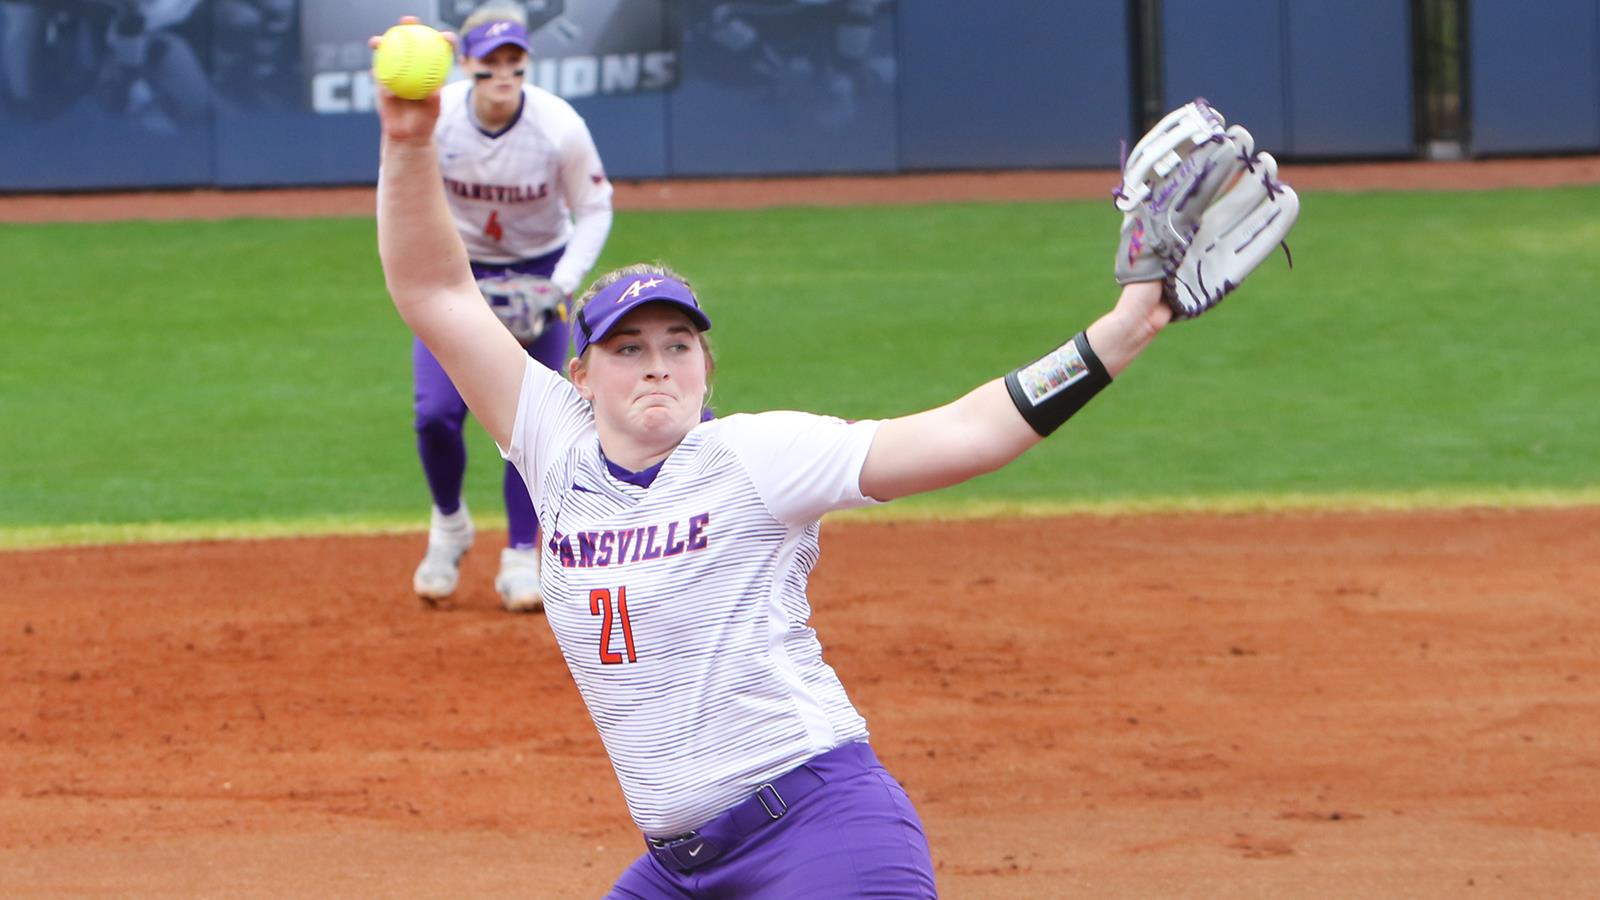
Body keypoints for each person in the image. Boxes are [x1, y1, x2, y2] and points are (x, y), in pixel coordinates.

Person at [374, 18, 1294, 895]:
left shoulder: (758, 457)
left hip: (818, 833)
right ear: (581, 371)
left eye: (678, 345)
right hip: (681, 869)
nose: (657, 364)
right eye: (628, 348)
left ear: (706, 366)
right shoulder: (552, 441)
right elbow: (432, 289)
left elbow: (966, 435)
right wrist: (410, 142)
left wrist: (1123, 330)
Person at [409, 1, 615, 613]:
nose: (503, 71)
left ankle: (522, 555)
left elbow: (596, 207)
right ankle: (449, 525)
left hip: (540, 279)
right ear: (466, 63)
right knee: (435, 415)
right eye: (490, 60)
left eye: (514, 59)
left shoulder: (558, 125)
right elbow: (408, 198)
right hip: (457, 278)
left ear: (527, 62)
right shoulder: (439, 118)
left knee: (532, 428)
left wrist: (561, 284)